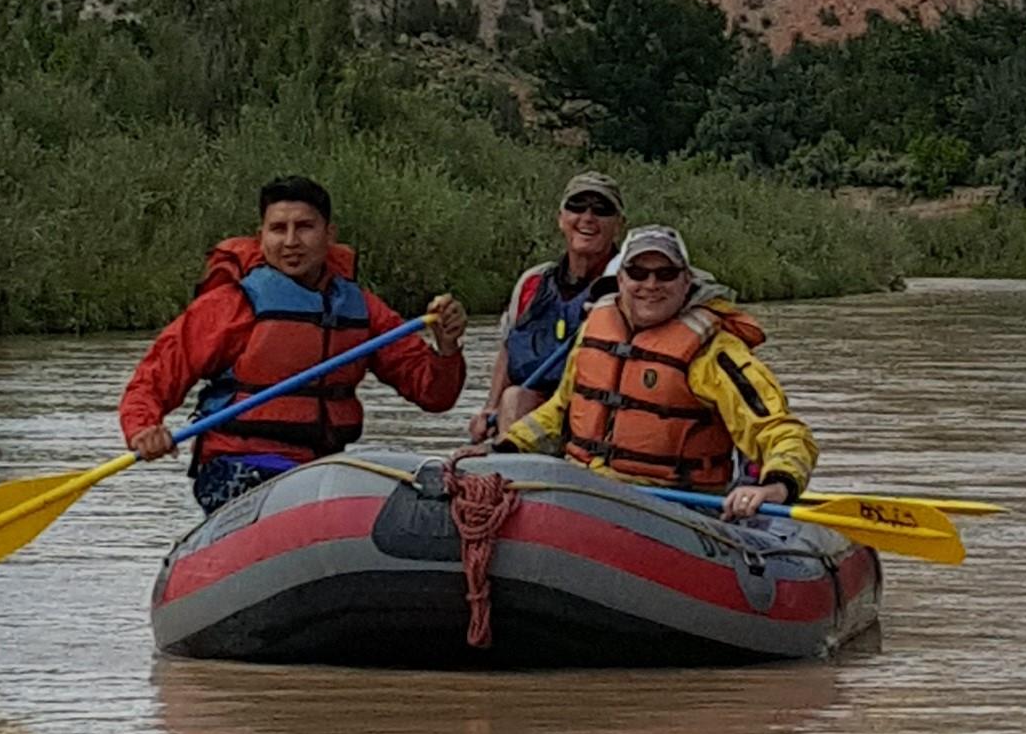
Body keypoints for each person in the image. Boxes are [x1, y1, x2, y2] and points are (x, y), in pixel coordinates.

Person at [120, 179, 466, 509]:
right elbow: (153, 379)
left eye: (304, 227)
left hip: (322, 467)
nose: (290, 241)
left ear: (329, 234)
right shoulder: (229, 305)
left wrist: (448, 348)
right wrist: (144, 430)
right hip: (238, 466)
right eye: (278, 229)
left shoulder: (362, 308)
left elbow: (435, 395)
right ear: (261, 237)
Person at [502, 219, 814, 524]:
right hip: (587, 490)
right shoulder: (593, 330)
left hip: (674, 506)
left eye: (665, 274)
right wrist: (505, 447)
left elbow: (781, 430)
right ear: (621, 280)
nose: (651, 285)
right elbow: (558, 412)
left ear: (686, 281)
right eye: (638, 273)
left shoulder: (714, 352)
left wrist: (777, 485)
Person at [467, 170, 626, 441]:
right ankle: (510, 456)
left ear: (619, 224)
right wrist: (490, 408)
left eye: (601, 210)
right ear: (561, 219)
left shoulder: (634, 285)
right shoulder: (533, 281)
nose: (588, 218)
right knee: (513, 398)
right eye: (577, 207)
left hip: (599, 416)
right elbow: (509, 348)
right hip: (532, 411)